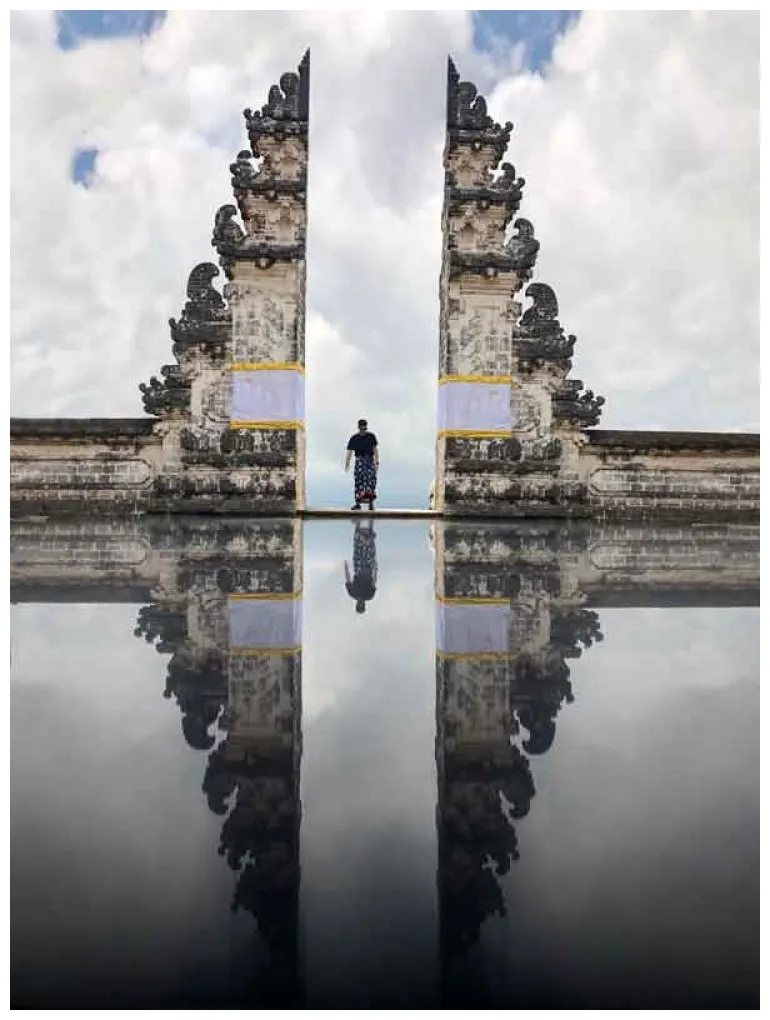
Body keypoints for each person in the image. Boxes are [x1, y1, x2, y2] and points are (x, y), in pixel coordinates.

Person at [344, 418, 379, 511]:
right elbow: (349, 452)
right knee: (359, 481)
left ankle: (371, 503)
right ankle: (358, 503)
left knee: (371, 481)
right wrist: (347, 464)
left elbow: (375, 449)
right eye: (361, 427)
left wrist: (377, 462)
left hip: (369, 460)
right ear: (359, 427)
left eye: (364, 427)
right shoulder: (354, 438)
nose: (363, 429)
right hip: (359, 460)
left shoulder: (371, 436)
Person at [344, 520, 378, 613]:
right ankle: (371, 523)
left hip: (358, 569)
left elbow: (348, 580)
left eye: (359, 604)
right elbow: (374, 582)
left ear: (356, 604)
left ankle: (358, 522)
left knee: (358, 545)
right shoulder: (369, 596)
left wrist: (346, 568)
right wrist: (375, 569)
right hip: (368, 569)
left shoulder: (353, 593)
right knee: (369, 546)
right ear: (364, 605)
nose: (360, 603)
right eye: (362, 605)